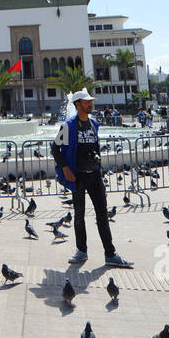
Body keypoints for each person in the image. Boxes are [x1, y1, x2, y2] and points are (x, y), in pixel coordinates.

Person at [51, 90, 132, 269]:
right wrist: (65, 168)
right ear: (78, 104)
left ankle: (110, 254)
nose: (90, 104)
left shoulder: (94, 124)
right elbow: (55, 149)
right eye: (87, 102)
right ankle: (81, 251)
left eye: (90, 101)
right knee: (79, 216)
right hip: (78, 176)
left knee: (102, 214)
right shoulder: (68, 126)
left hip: (95, 175)